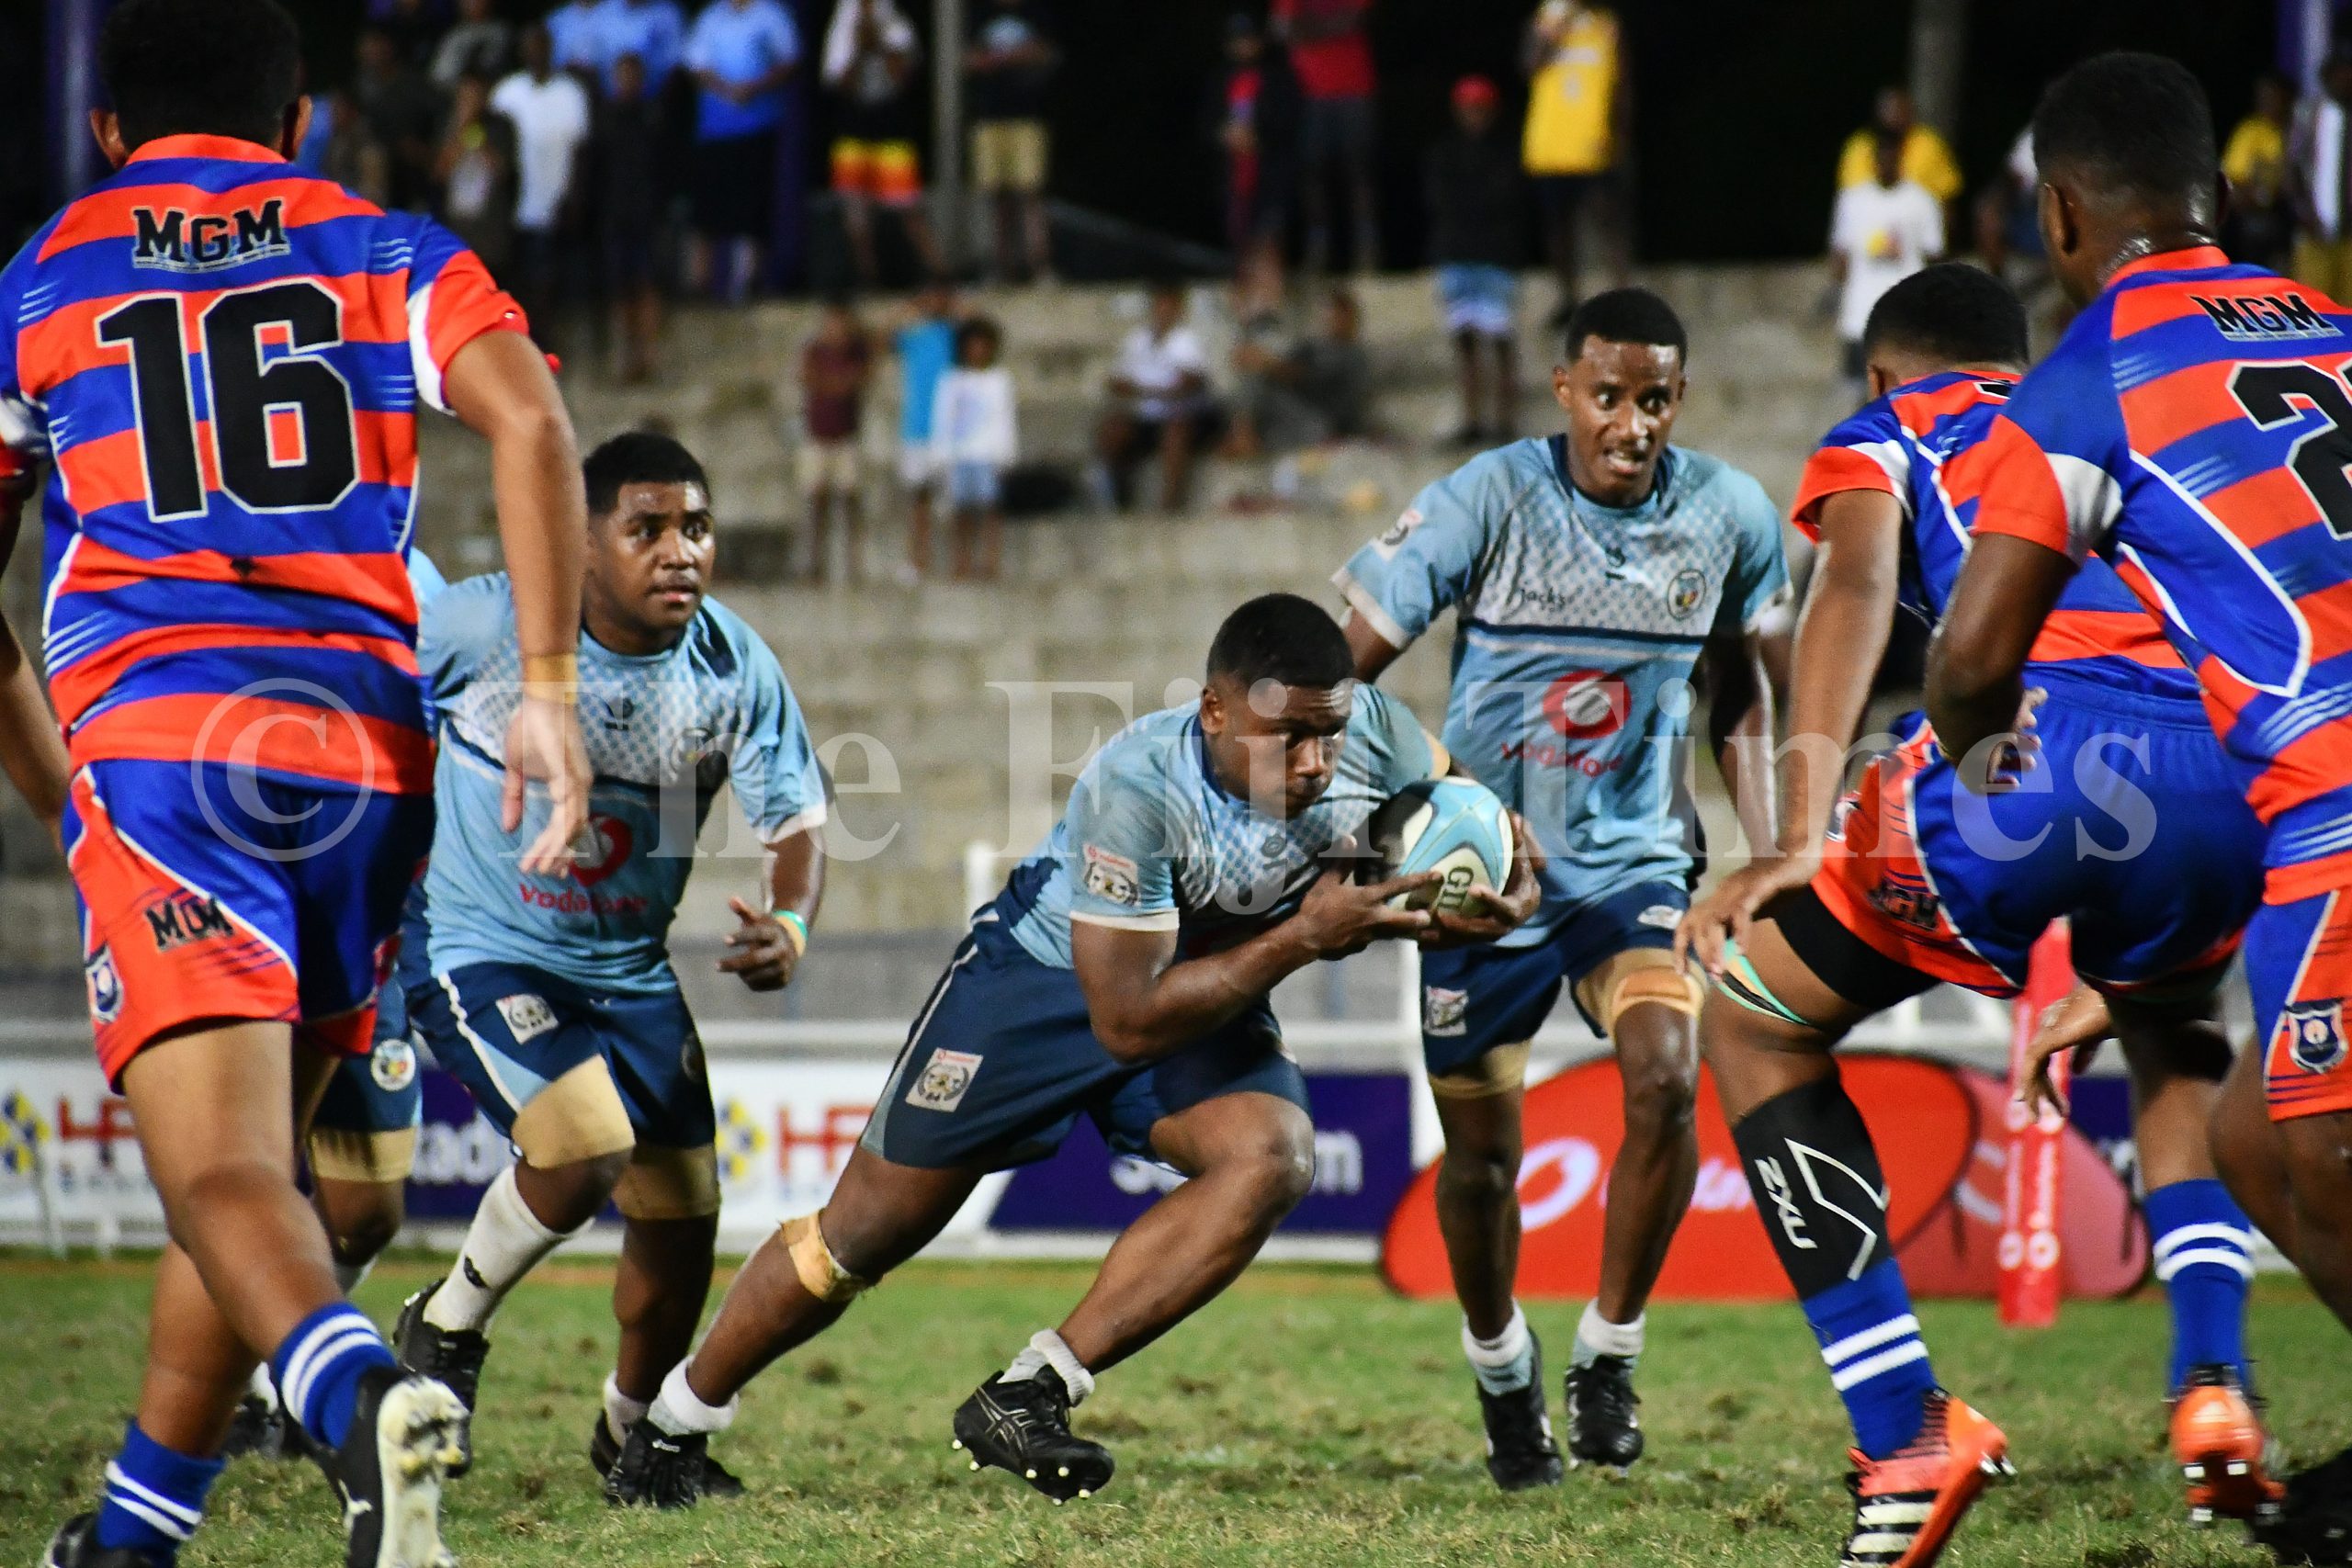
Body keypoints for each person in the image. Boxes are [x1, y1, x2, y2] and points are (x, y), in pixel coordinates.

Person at [5, 3, 594, 1565]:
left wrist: (59, 783)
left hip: (169, 735)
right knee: (249, 1177)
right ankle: (137, 1532)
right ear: (299, 120)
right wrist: (544, 692)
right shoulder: (383, 245)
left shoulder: (45, 275)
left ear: (110, 129)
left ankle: (354, 1401)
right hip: (359, 754)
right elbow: (532, 417)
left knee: (212, 1170)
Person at [597, 592, 1544, 1507]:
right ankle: (672, 1425)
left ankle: (1028, 1394)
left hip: (1208, 977)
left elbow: (1462, 813)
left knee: (1271, 1157)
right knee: (857, 1239)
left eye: (1327, 734)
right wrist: (1303, 936)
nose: (1313, 762)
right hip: (1042, 987)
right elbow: (1125, 1021)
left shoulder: (1370, 733)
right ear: (1214, 710)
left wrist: (1496, 880)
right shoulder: (1138, 787)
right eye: (1286, 737)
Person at [1677, 260, 2276, 1565]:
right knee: (2176, 1031)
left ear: (1887, 372)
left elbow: (1850, 586)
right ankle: (2213, 1379)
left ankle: (1902, 1426)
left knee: (1755, 1023)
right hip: (2228, 772)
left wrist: (1796, 824)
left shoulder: (1894, 424)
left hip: (2025, 756)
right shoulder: (2115, 398)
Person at [1922, 51, 2352, 1559]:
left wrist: (1978, 776)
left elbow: (1972, 655)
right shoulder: (2341, 329)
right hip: (2307, 810)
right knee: (2242, 1135)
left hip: (2335, 814)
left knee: (2319, 1151)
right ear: (2219, 193)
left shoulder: (2089, 371)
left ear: (2055, 216)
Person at [1332, 287, 1784, 1491]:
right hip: (1482, 881)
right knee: (1479, 1162)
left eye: (1656, 400)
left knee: (1667, 1074)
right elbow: (1344, 661)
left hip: (1633, 866)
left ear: (1679, 401)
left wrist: (1767, 848)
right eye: (1609, 396)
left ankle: (1609, 1353)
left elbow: (1744, 697)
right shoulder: (1489, 496)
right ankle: (1501, 1369)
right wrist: (1351, 820)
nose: (1631, 424)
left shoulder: (1731, 513)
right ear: (1563, 391)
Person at [391, 432, 830, 1492]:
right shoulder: (484, 624)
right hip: (479, 943)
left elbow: (800, 820)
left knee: (681, 1222)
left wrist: (791, 921)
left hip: (628, 971)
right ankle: (444, 1326)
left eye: (697, 528)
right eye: (648, 528)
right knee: (583, 1146)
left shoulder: (731, 665)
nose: (680, 551)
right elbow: (369, 680)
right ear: (580, 545)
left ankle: (635, 1440)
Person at [1428, 73, 1524, 446]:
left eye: (1480, 109)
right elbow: (1439, 201)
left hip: (1495, 257)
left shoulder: (1506, 151)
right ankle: (1472, 420)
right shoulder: (1444, 152)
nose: (1474, 116)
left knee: (1500, 339)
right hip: (1457, 254)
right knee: (1464, 341)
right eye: (1469, 109)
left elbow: (1508, 200)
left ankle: (1505, 422)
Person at [683, 0, 801, 304]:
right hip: (714, 130)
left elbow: (789, 61)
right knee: (708, 210)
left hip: (757, 127)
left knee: (750, 209)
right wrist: (727, 90)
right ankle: (701, 285)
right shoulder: (711, 17)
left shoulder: (772, 15)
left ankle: (746, 282)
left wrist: (755, 87)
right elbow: (696, 65)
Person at [822, 0, 946, 288]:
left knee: (908, 205)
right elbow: (841, 82)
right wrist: (858, 48)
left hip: (890, 120)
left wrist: (877, 43)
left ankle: (939, 273)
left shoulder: (896, 24)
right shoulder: (842, 25)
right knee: (856, 210)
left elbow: (902, 78)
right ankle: (868, 278)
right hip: (854, 122)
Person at [1521, 0, 1629, 324]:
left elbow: (1623, 81)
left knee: (1608, 222)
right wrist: (1551, 31)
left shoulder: (1606, 24)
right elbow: (1529, 65)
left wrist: (1620, 134)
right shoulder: (1545, 18)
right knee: (1558, 227)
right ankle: (1568, 298)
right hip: (1551, 145)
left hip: (1594, 141)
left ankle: (1622, 298)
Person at [492, 24, 594, 351]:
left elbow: (581, 151)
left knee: (552, 282)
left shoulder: (570, 92)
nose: (536, 52)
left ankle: (550, 348)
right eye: (530, 46)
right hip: (516, 206)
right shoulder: (507, 93)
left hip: (558, 204)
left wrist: (575, 198)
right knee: (521, 282)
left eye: (542, 45)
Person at [1829, 126, 1943, 392]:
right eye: (1882, 156)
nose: (1887, 162)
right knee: (1859, 394)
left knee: (1906, 394)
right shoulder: (1852, 200)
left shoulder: (1922, 200)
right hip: (1861, 319)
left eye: (1893, 156)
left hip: (1906, 320)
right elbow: (1839, 258)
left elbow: (1934, 257)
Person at [1272, 0, 1376, 275]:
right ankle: (1318, 251)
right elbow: (1283, 31)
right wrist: (1329, 26)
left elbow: (1355, 19)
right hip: (1307, 92)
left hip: (1354, 88)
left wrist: (1306, 29)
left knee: (1358, 173)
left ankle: (1366, 252)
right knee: (1311, 175)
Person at [1096, 279, 1217, 512]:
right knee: (1112, 431)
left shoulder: (1188, 340)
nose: (1162, 311)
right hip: (1147, 417)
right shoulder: (1137, 340)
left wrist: (1142, 390)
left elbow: (1190, 384)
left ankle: (1170, 504)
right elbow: (1115, 382)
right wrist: (1159, 391)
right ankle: (1117, 501)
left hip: (1186, 417)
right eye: (1159, 304)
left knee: (1175, 432)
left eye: (1168, 305)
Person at [965, 0, 1058, 285]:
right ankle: (999, 269)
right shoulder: (979, 13)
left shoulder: (1036, 12)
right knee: (997, 197)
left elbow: (1046, 54)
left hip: (1028, 116)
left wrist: (1002, 58)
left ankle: (1040, 267)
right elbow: (969, 60)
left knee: (1030, 193)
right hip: (989, 118)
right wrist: (1011, 57)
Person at [595, 51, 668, 384]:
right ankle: (624, 358)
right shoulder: (606, 118)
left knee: (646, 285)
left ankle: (648, 357)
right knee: (619, 289)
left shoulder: (653, 117)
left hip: (646, 212)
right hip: (615, 213)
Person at [1234, 287, 1371, 456]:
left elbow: (1310, 378)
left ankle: (1250, 438)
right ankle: (1243, 433)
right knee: (1257, 379)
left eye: (1339, 314)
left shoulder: (1354, 356)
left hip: (1323, 419)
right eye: (1330, 313)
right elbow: (1287, 363)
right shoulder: (1312, 345)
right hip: (1294, 408)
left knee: (1317, 430)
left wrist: (1269, 363)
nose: (1332, 318)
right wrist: (1262, 361)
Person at [933, 316, 1017, 581]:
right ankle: (962, 562)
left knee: (990, 509)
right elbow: (943, 418)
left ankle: (991, 561)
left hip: (987, 455)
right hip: (960, 455)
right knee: (961, 512)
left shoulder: (999, 380)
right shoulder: (951, 381)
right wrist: (941, 455)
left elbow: (1005, 418)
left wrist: (1005, 455)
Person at [800, 298, 875, 582]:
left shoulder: (857, 354)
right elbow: (815, 381)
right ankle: (814, 564)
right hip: (818, 436)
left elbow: (856, 381)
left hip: (846, 438)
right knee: (816, 500)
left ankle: (853, 564)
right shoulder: (814, 352)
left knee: (849, 499)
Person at [894, 285, 958, 580]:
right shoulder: (914, 335)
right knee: (919, 500)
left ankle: (955, 563)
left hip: (952, 432)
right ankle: (918, 561)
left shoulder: (956, 335)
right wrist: (910, 308)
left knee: (953, 504)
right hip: (917, 429)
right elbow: (882, 338)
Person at [355, 24, 446, 212]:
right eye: (365, 46)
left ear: (388, 47)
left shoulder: (414, 86)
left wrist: (428, 151)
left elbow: (442, 117)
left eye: (373, 45)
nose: (367, 51)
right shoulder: (363, 86)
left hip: (418, 182)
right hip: (378, 180)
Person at [435, 73, 516, 278]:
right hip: (457, 224)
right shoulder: (448, 125)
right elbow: (440, 172)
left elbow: (501, 172)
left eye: (476, 95)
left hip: (488, 228)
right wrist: (462, 129)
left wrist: (476, 134)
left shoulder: (501, 126)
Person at [1835, 85, 1963, 213]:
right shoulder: (1859, 147)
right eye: (1888, 109)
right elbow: (1847, 199)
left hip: (1917, 224)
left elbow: (1948, 199)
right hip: (1869, 225)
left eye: (1899, 110)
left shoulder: (1930, 145)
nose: (1894, 116)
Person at [2290, 52, 2352, 299]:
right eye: (2341, 73)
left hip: (2350, 235)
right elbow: (2292, 169)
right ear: (2326, 77)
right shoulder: (2308, 114)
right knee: (2315, 307)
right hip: (2313, 234)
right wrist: (2303, 212)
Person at [2222, 72, 2293, 271]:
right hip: (2255, 215)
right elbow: (2233, 177)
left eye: (2273, 97)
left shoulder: (2299, 130)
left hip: (2290, 215)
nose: (2267, 102)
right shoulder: (2250, 130)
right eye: (2263, 96)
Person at [431, 0, 513, 88]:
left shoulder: (498, 32)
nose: (469, 3)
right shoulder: (455, 31)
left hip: (466, 92)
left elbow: (484, 70)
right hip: (436, 89)